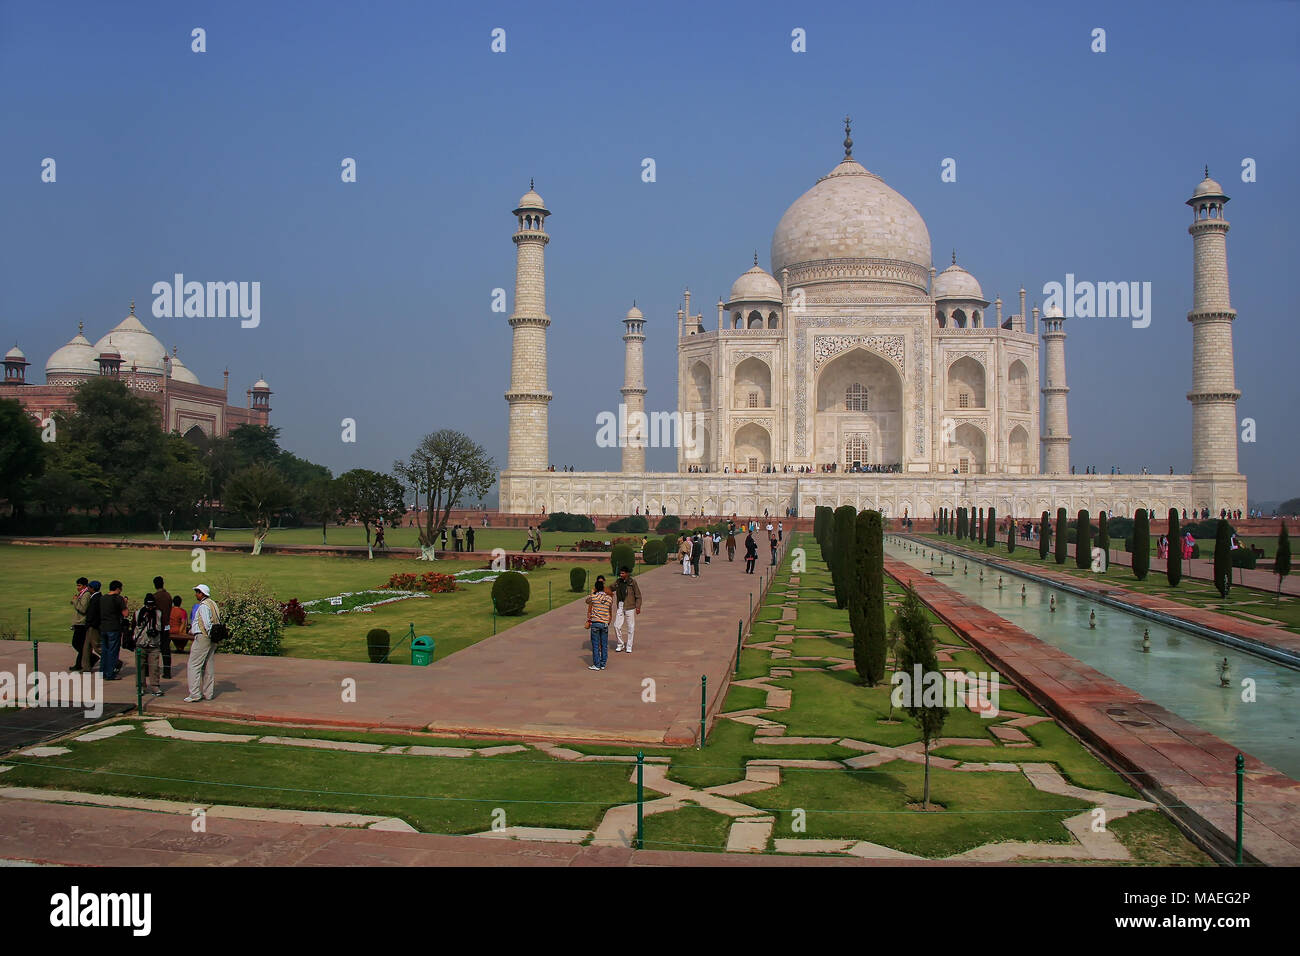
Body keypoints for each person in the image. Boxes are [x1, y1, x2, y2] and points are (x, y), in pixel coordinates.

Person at [186, 584, 220, 702]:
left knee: (194, 665)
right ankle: (208, 693)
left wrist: (207, 634)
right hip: (212, 638)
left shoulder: (204, 606)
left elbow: (206, 624)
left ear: (202, 593)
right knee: (208, 665)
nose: (196, 594)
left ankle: (195, 694)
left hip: (204, 637)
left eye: (197, 592)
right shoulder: (213, 604)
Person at [134, 594, 165, 697]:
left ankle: (155, 686)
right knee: (140, 667)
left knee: (154, 667)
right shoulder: (138, 613)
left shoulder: (158, 614)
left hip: (154, 644)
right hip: (141, 644)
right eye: (148, 606)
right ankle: (140, 686)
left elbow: (163, 629)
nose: (150, 608)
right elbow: (133, 628)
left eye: (152, 605)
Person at [100, 580, 128, 681]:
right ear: (117, 589)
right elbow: (125, 614)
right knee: (113, 652)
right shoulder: (118, 598)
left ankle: (102, 672)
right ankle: (110, 674)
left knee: (104, 651)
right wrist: (125, 603)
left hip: (103, 627)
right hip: (114, 627)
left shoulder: (102, 598)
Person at [584, 578, 614, 671]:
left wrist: (593, 593)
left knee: (596, 644)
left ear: (596, 588)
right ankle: (603, 664)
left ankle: (596, 664)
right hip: (604, 623)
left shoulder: (594, 597)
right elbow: (609, 605)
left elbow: (587, 601)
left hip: (596, 623)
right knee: (604, 644)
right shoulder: (609, 598)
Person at [613, 565, 642, 653]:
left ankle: (629, 646)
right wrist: (600, 589)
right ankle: (620, 644)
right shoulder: (618, 581)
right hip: (621, 605)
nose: (621, 575)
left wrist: (638, 607)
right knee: (616, 625)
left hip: (630, 606)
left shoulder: (632, 582)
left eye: (623, 573)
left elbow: (638, 595)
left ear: (627, 573)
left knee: (630, 627)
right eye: (620, 573)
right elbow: (611, 588)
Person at [152, 576, 173, 678]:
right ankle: (167, 671)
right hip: (166, 625)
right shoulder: (168, 595)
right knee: (166, 649)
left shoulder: (155, 596)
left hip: (157, 626)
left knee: (153, 649)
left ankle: (151, 670)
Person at [80, 580, 102, 672]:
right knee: (86, 647)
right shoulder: (96, 597)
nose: (88, 588)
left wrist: (89, 624)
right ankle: (86, 667)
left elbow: (92, 614)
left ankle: (115, 661)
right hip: (91, 626)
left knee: (97, 647)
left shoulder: (96, 598)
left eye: (89, 587)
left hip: (93, 627)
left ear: (92, 588)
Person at [70, 576, 91, 671]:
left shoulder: (86, 594)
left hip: (81, 623)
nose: (77, 587)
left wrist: (75, 600)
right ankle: (79, 664)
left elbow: (83, 609)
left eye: (79, 585)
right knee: (80, 644)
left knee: (76, 643)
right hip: (79, 623)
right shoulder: (82, 594)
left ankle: (90, 657)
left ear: (84, 586)